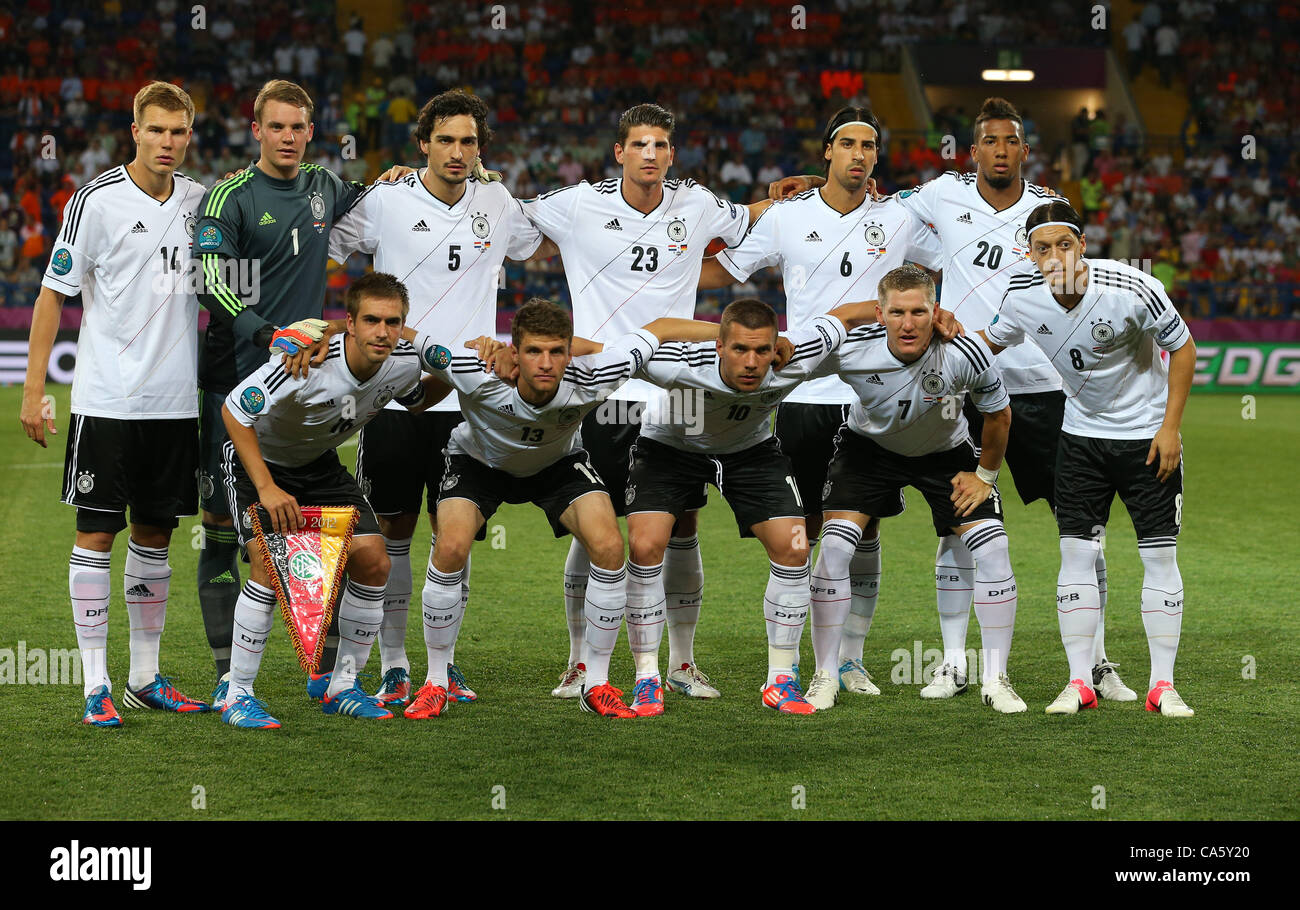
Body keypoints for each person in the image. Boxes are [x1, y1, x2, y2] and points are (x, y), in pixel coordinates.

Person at [770, 97, 1127, 702]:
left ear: (1024, 149)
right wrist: (810, 183)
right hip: (957, 381)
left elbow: (1078, 279)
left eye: (1011, 141)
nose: (1001, 151)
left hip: (1042, 385)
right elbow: (868, 203)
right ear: (974, 150)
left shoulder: (1047, 214)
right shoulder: (939, 195)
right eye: (990, 141)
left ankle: (1095, 661)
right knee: (957, 525)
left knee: (1081, 526)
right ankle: (957, 663)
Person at [700, 106, 947, 695]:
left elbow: (953, 260)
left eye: (870, 145)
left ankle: (848, 661)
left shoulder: (900, 218)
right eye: (849, 144)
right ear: (827, 152)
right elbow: (727, 270)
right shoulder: (788, 217)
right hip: (806, 392)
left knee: (864, 529)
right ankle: (798, 660)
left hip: (876, 394)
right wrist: (653, 270)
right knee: (803, 532)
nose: (860, 154)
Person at [519, 103, 761, 700]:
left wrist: (792, 193)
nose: (650, 153)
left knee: (682, 523)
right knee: (593, 528)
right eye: (639, 144)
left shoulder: (698, 204)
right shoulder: (577, 204)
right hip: (601, 391)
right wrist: (405, 178)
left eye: (661, 144)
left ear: (671, 155)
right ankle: (580, 661)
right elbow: (505, 217)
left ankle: (680, 663)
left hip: (676, 392)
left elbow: (751, 222)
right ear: (619, 152)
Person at [326, 89, 553, 707]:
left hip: (472, 401)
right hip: (396, 395)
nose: (458, 152)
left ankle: (440, 666)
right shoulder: (387, 199)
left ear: (482, 149)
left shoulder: (498, 201)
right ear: (422, 143)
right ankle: (393, 662)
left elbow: (543, 240)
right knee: (393, 529)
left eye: (470, 141)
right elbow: (327, 245)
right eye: (446, 139)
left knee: (453, 532)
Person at [406, 300, 721, 719]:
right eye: (534, 351)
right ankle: (435, 682)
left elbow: (661, 327)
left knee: (609, 546)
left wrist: (730, 336)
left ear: (570, 353)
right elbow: (407, 337)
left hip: (556, 465)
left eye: (557, 351)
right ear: (512, 352)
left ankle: (597, 684)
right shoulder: (472, 367)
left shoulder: (597, 374)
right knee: (451, 547)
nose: (546, 362)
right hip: (479, 464)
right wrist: (337, 329)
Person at [19, 81, 210, 725]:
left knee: (156, 533)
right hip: (106, 400)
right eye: (156, 130)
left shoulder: (201, 202)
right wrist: (35, 390)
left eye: (178, 132)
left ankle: (145, 676)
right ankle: (95, 683)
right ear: (135, 131)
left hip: (176, 404)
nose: (167, 142)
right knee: (97, 533)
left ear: (190, 136)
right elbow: (53, 295)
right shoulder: (94, 202)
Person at [978, 201, 1196, 717]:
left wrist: (1170, 429)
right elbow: (988, 342)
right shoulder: (1020, 297)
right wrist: (938, 340)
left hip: (1146, 440)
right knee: (1076, 555)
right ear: (1028, 254)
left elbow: (1183, 350)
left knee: (1158, 557)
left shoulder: (1132, 288)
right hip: (1078, 439)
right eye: (1042, 248)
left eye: (1064, 245)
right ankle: (1080, 682)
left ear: (1082, 245)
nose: (1054, 256)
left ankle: (1163, 686)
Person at [193, 79, 367, 708]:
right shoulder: (231, 198)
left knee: (320, 527)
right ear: (256, 129)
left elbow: (377, 198)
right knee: (226, 527)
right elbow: (210, 280)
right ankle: (225, 673)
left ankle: (321, 667)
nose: (289, 137)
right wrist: (272, 336)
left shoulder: (325, 187)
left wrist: (401, 173)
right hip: (239, 378)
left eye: (299, 127)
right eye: (278, 127)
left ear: (310, 132)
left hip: (307, 383)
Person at [218, 273, 451, 729]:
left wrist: (459, 378)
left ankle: (343, 685)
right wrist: (267, 488)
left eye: (393, 322)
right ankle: (237, 693)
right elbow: (234, 409)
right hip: (259, 464)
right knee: (266, 566)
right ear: (348, 323)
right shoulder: (305, 359)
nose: (383, 331)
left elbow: (419, 399)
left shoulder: (401, 363)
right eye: (371, 320)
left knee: (374, 561)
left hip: (319, 466)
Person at [620, 298, 872, 715]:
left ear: (778, 347)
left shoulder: (798, 356)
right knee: (646, 546)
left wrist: (925, 314)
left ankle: (780, 682)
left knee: (795, 548)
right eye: (739, 349)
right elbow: (643, 332)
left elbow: (846, 316)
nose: (752, 362)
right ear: (720, 347)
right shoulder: (678, 363)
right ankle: (647, 679)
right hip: (670, 445)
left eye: (762, 350)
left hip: (749, 451)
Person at [804, 265, 1023, 712]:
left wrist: (985, 476)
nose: (909, 323)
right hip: (869, 450)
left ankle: (994, 677)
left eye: (920, 311)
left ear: (935, 311)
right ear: (879, 313)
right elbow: (792, 362)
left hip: (946, 453)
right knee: (836, 549)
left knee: (993, 549)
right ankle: (828, 673)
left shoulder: (966, 352)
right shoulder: (852, 349)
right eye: (897, 312)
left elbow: (999, 415)